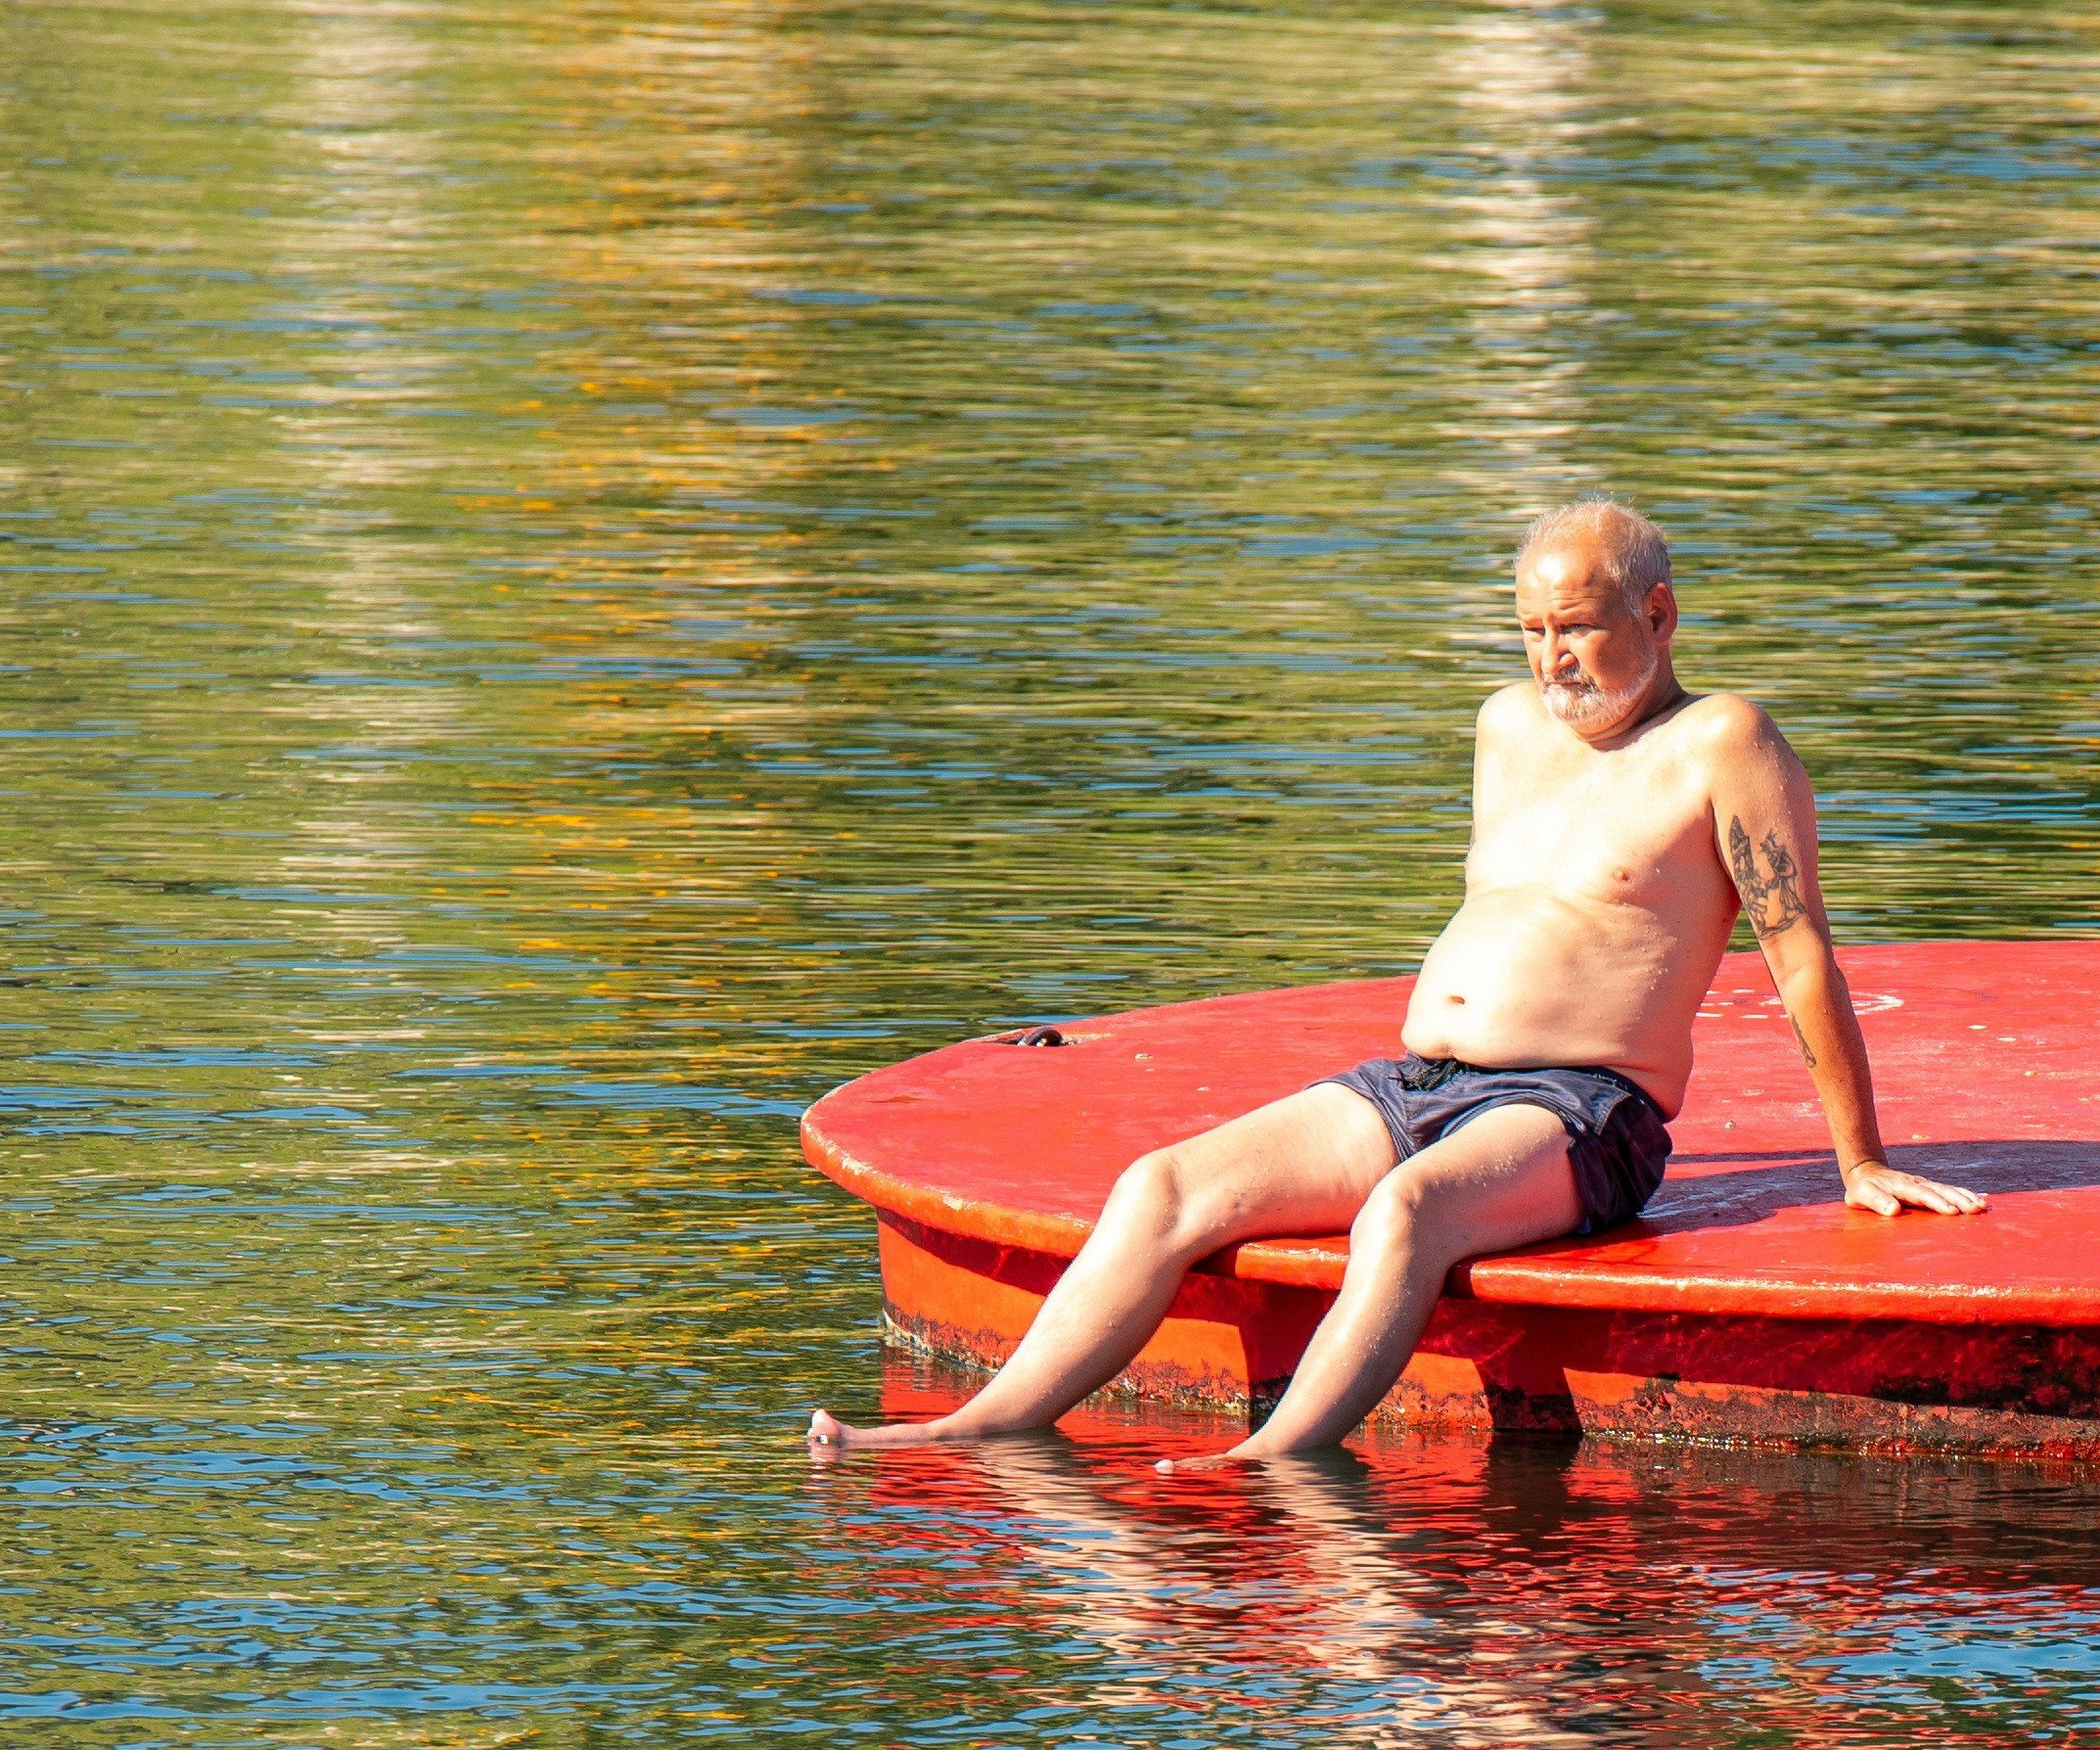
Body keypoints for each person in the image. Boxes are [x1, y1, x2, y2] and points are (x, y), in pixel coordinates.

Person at [806, 501, 1978, 1469]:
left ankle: (1281, 1458)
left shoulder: (1726, 741)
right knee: (1162, 1184)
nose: (1550, 657)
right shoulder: (1507, 726)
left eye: (1576, 627)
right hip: (1415, 1079)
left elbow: (1799, 952)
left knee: (1407, 1211)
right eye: (1530, 629)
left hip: (1580, 1109)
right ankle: (982, 1424)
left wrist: (1858, 1158)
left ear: (1658, 616)